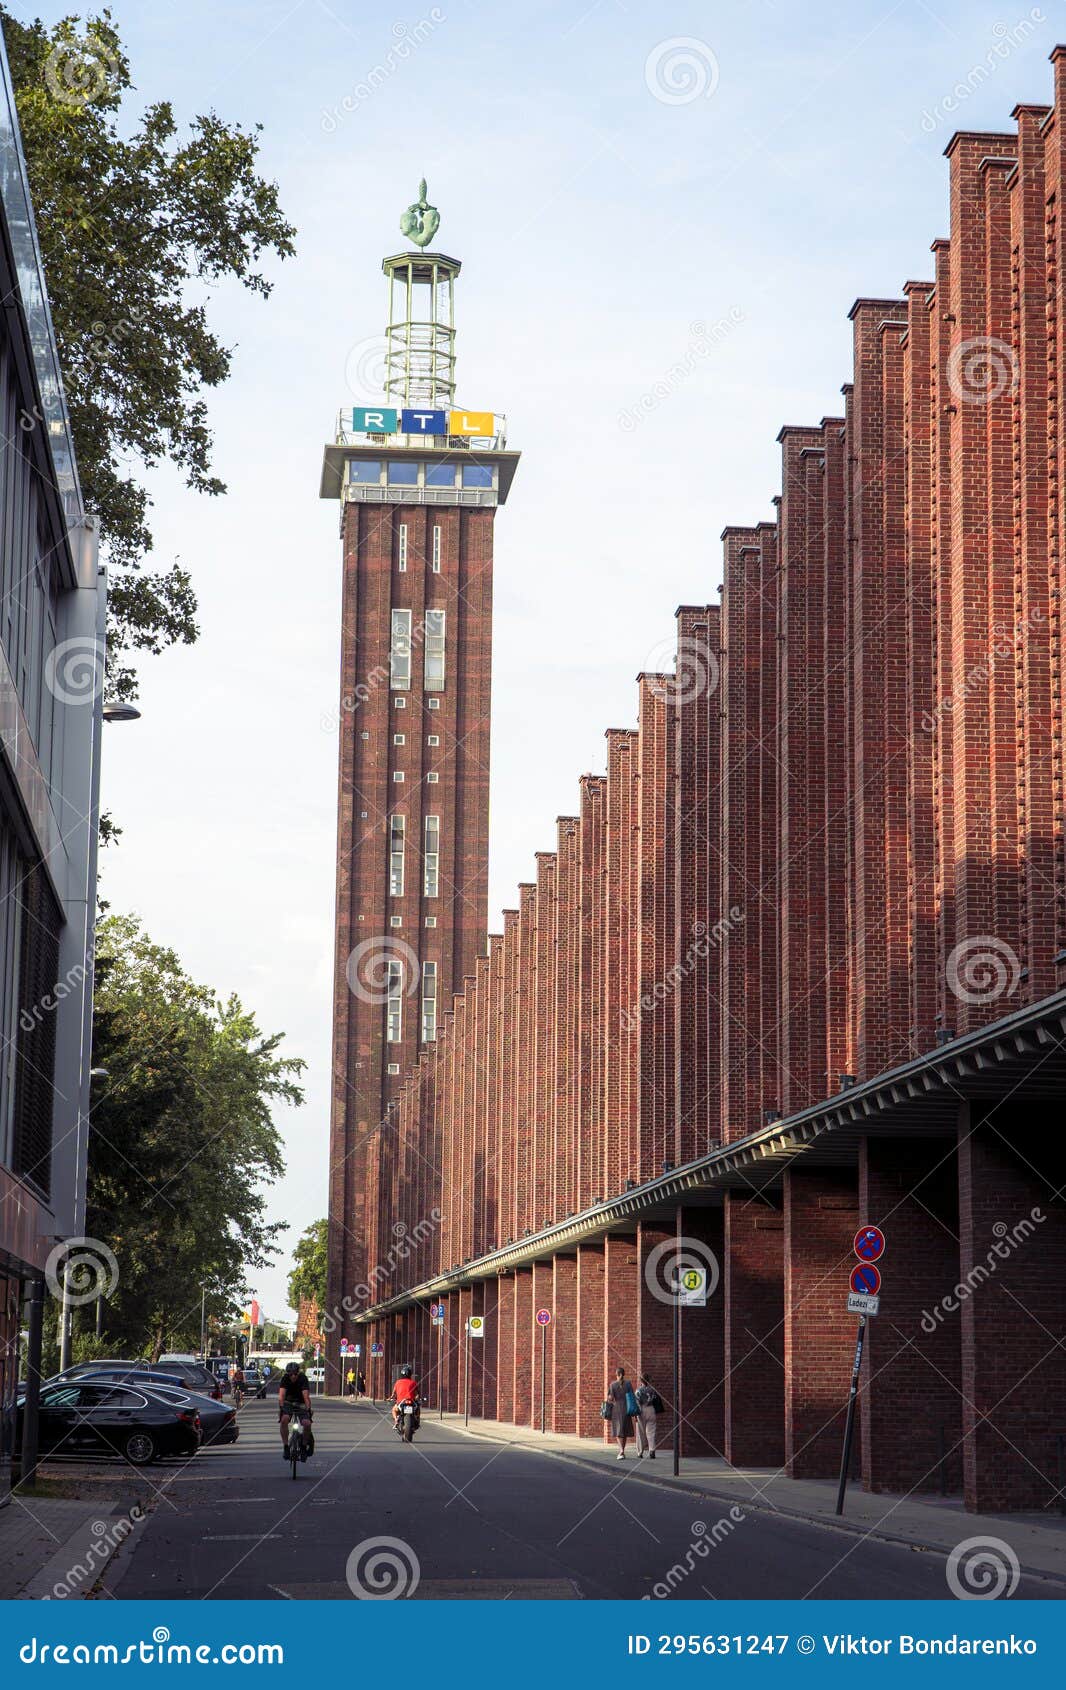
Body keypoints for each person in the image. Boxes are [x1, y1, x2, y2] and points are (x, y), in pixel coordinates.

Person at [278, 1360, 313, 1460]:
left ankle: (303, 1446)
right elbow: (281, 1396)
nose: (293, 1376)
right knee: (284, 1420)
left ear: (298, 1373)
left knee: (307, 1423)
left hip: (301, 1403)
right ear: (287, 1374)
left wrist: (308, 1410)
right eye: (291, 1374)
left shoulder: (303, 1378)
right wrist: (281, 1410)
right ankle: (285, 1447)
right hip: (288, 1402)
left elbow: (306, 1396)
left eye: (295, 1374)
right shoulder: (285, 1379)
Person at [605, 1365, 637, 1460]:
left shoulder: (612, 1385)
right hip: (627, 1408)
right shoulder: (628, 1384)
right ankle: (623, 1450)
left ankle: (621, 1451)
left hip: (617, 1409)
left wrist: (609, 1399)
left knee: (618, 1431)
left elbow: (610, 1398)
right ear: (623, 1374)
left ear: (617, 1374)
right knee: (625, 1431)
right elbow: (632, 1397)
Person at [634, 1374, 663, 1458]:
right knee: (651, 1432)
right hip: (651, 1409)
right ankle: (652, 1450)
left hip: (642, 1410)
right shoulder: (652, 1390)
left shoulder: (638, 1390)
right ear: (648, 1380)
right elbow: (656, 1400)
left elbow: (637, 1402)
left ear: (641, 1381)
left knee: (640, 1432)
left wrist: (636, 1414)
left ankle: (640, 1452)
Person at [390, 1364, 419, 1429]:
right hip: (411, 1401)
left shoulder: (398, 1382)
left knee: (394, 1410)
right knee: (417, 1408)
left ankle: (396, 1420)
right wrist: (417, 1398)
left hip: (401, 1402)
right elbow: (417, 1394)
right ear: (410, 1375)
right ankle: (416, 1419)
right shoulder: (413, 1382)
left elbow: (393, 1393)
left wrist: (391, 1397)